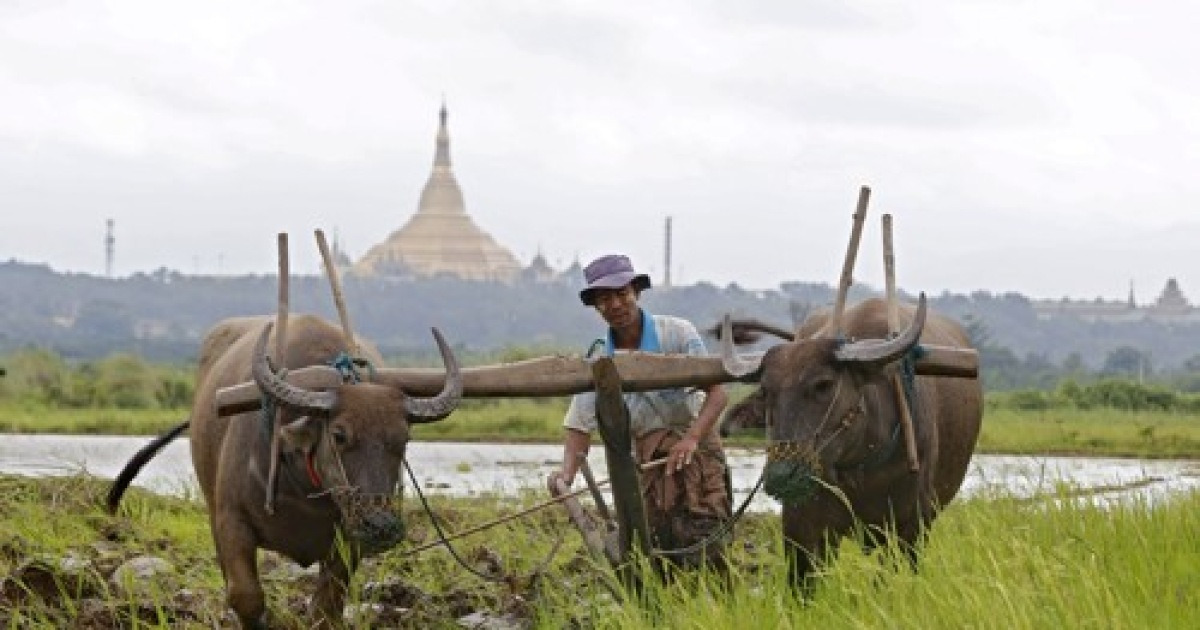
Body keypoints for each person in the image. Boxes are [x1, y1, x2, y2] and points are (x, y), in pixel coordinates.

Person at [556, 253, 731, 569]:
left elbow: (718, 393)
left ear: (636, 292)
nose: (615, 305)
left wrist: (691, 439)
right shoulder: (599, 356)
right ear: (596, 306)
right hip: (648, 466)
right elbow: (579, 426)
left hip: (697, 456)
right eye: (604, 299)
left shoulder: (678, 334)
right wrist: (566, 475)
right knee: (657, 550)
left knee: (707, 546)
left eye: (622, 294)